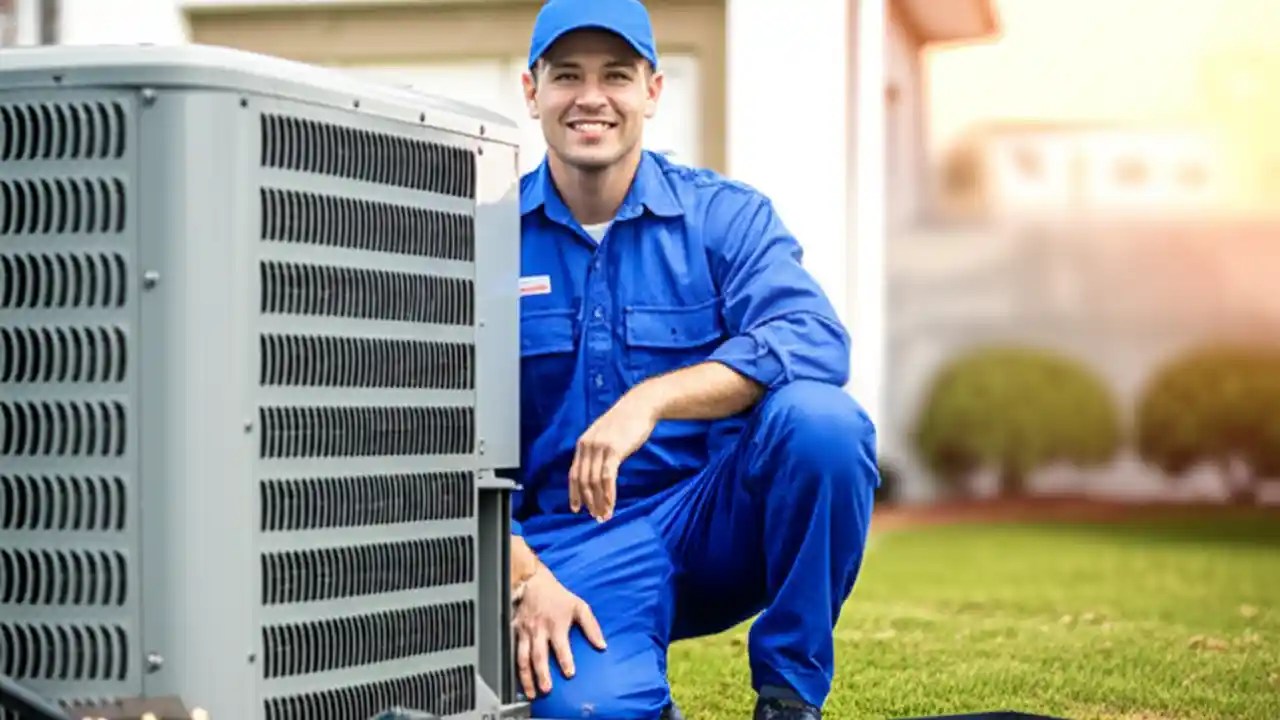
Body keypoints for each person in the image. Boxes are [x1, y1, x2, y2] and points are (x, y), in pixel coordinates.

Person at [507, 0, 879, 718]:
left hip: (710, 521)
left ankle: (788, 696)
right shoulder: (482, 241)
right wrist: (522, 577)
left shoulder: (724, 218)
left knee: (824, 425)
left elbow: (813, 336)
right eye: (567, 76)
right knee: (591, 713)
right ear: (532, 92)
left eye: (616, 74)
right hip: (568, 555)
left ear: (652, 91)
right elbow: (426, 449)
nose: (591, 97)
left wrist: (650, 399)